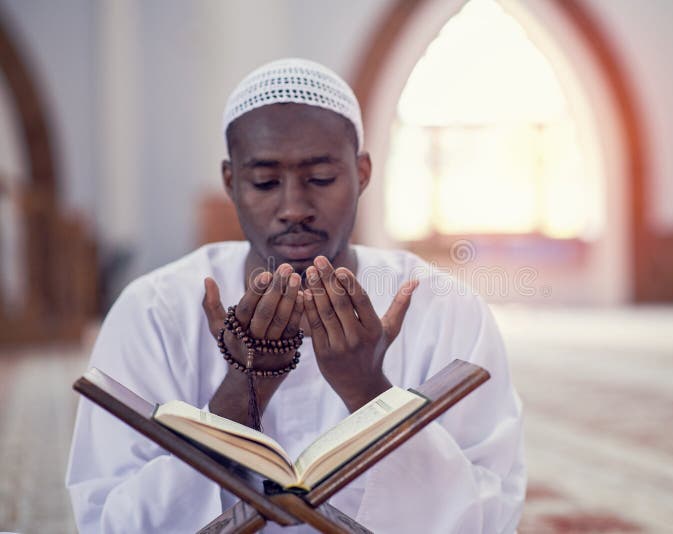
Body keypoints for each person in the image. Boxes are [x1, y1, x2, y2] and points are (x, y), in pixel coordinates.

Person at [66, 57, 525, 533]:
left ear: (362, 173)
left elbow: (489, 517)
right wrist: (242, 392)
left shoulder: (446, 307)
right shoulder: (153, 311)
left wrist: (369, 392)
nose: (293, 208)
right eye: (265, 182)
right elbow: (109, 521)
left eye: (321, 179)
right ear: (231, 182)